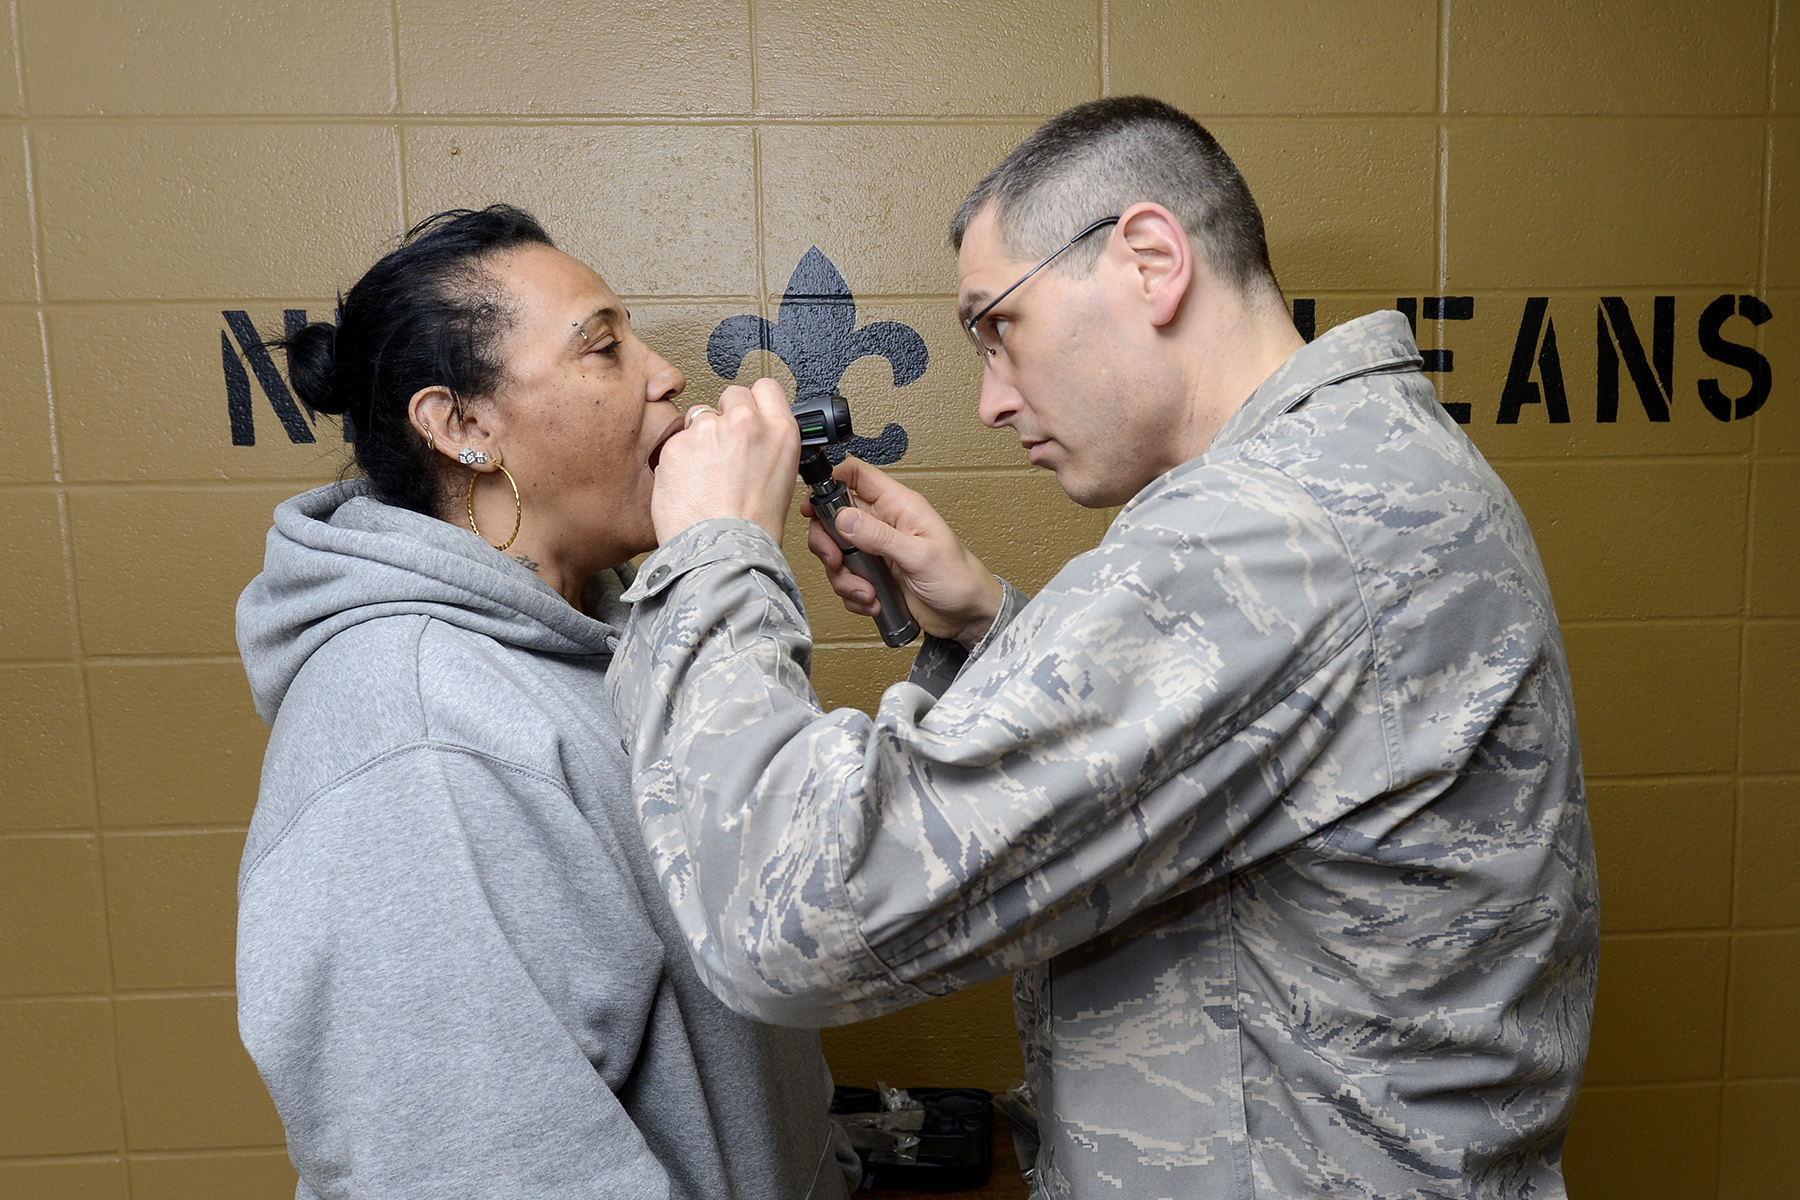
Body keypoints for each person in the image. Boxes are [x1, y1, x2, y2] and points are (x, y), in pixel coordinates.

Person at [606, 98, 1599, 1199]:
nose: (987, 400)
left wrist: (713, 555)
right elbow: (1245, 772)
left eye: (997, 326)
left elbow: (786, 922)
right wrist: (987, 626)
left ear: (1149, 260)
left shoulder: (1261, 534)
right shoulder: (1368, 466)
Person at [234, 205, 857, 1200]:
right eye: (604, 349)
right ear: (464, 428)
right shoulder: (419, 739)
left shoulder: (620, 648)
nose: (666, 374)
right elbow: (473, 1170)